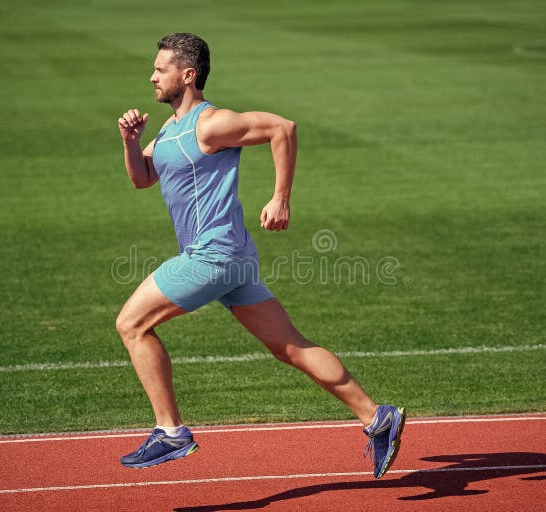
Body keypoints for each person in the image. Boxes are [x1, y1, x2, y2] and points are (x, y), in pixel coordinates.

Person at [116, 32, 405, 479]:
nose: (152, 76)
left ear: (187, 75)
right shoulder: (170, 129)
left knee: (131, 325)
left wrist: (280, 198)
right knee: (290, 346)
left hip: (212, 255)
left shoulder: (210, 124)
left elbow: (282, 127)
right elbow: (143, 178)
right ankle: (377, 416)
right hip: (231, 258)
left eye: (160, 69)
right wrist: (130, 140)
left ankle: (170, 431)